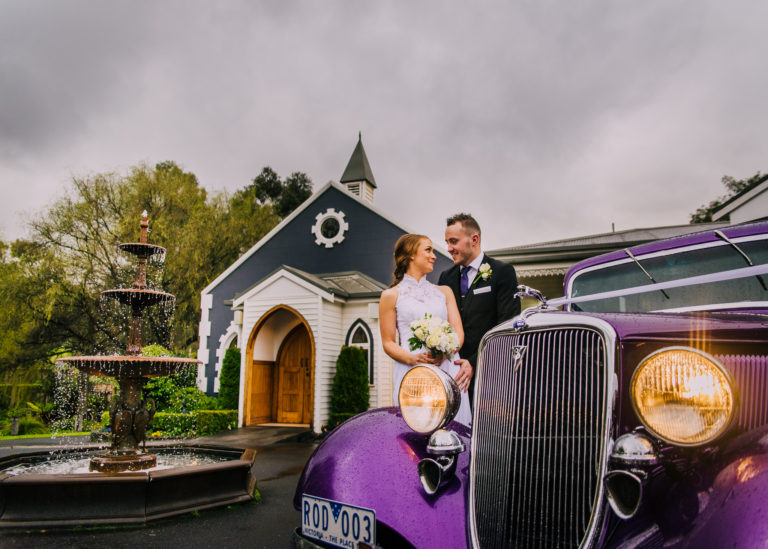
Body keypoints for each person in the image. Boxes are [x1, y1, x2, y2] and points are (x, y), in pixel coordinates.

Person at [379, 234, 472, 426]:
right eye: (428, 250)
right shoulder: (391, 295)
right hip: (413, 372)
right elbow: (388, 342)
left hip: (448, 369)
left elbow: (458, 333)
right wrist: (412, 359)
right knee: (418, 430)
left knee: (455, 431)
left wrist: (445, 354)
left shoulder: (444, 291)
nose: (434, 256)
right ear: (411, 254)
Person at [438, 213, 520, 406]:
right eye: (447, 242)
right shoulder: (445, 278)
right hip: (453, 374)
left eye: (454, 241)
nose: (449, 248)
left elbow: (507, 326)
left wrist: (474, 363)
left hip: (491, 373)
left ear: (474, 239)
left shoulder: (502, 272)